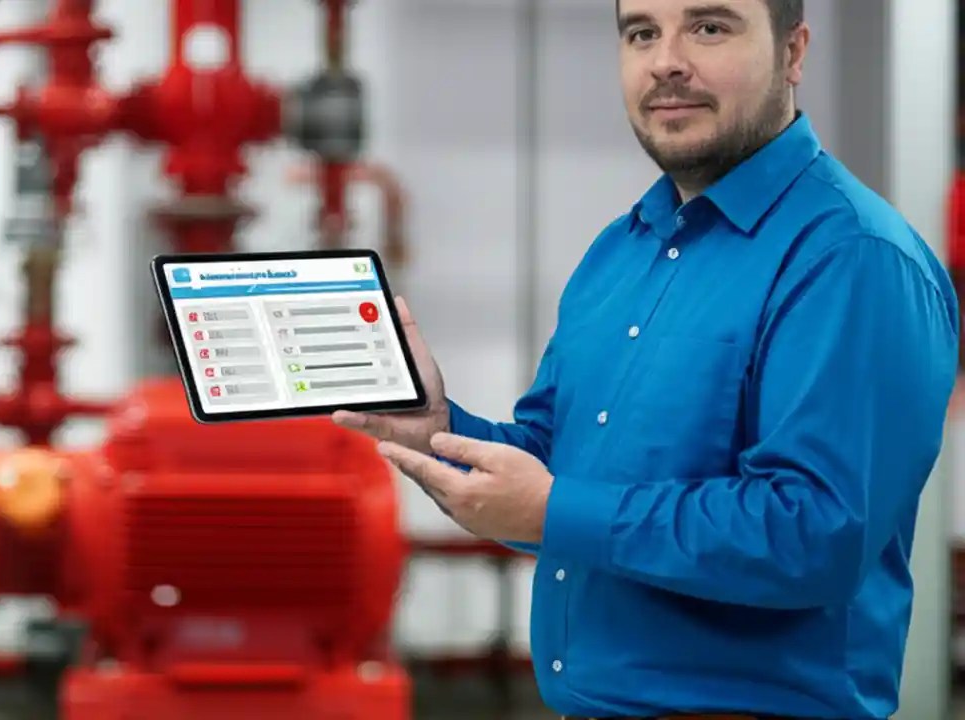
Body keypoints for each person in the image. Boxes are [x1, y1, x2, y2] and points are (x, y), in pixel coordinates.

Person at [333, 0, 960, 718]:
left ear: (793, 53)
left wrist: (553, 509)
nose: (665, 59)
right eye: (641, 33)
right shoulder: (622, 249)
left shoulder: (851, 259)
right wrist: (440, 429)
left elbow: (813, 532)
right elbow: (552, 468)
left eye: (709, 26)